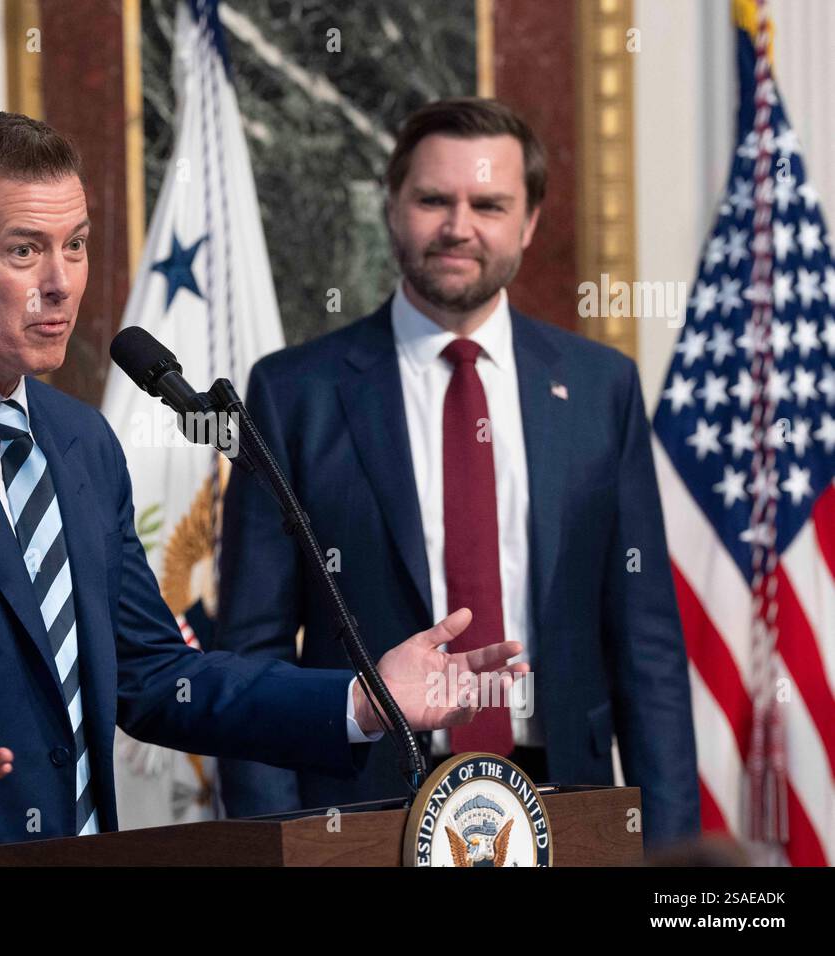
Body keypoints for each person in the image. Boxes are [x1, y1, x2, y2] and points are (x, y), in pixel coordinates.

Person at [0, 109, 527, 866]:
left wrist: (361, 700)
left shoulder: (81, 442)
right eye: (23, 251)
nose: (61, 283)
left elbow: (153, 677)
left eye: (75, 245)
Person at [216, 97, 700, 849]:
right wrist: (274, 845)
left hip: (566, 798)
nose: (458, 227)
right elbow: (253, 653)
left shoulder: (601, 388)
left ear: (530, 221)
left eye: (490, 204)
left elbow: (649, 654)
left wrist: (673, 865)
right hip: (362, 811)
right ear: (393, 205)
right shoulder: (292, 394)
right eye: (434, 200)